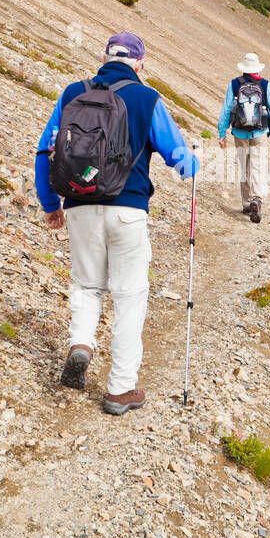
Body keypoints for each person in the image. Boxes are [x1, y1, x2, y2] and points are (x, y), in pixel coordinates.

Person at [35, 32, 200, 415]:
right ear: (140, 63)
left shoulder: (74, 92)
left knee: (87, 284)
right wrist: (195, 160)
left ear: (104, 56)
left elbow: (45, 150)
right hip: (127, 211)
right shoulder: (147, 98)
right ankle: (120, 389)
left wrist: (50, 204)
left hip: (78, 207)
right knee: (128, 296)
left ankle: (81, 344)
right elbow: (181, 161)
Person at [217, 52, 270, 223]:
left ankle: (246, 204)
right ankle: (257, 199)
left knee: (245, 167)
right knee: (257, 166)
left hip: (239, 133)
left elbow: (226, 109)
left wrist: (222, 133)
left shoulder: (235, 84)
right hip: (260, 133)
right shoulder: (266, 85)